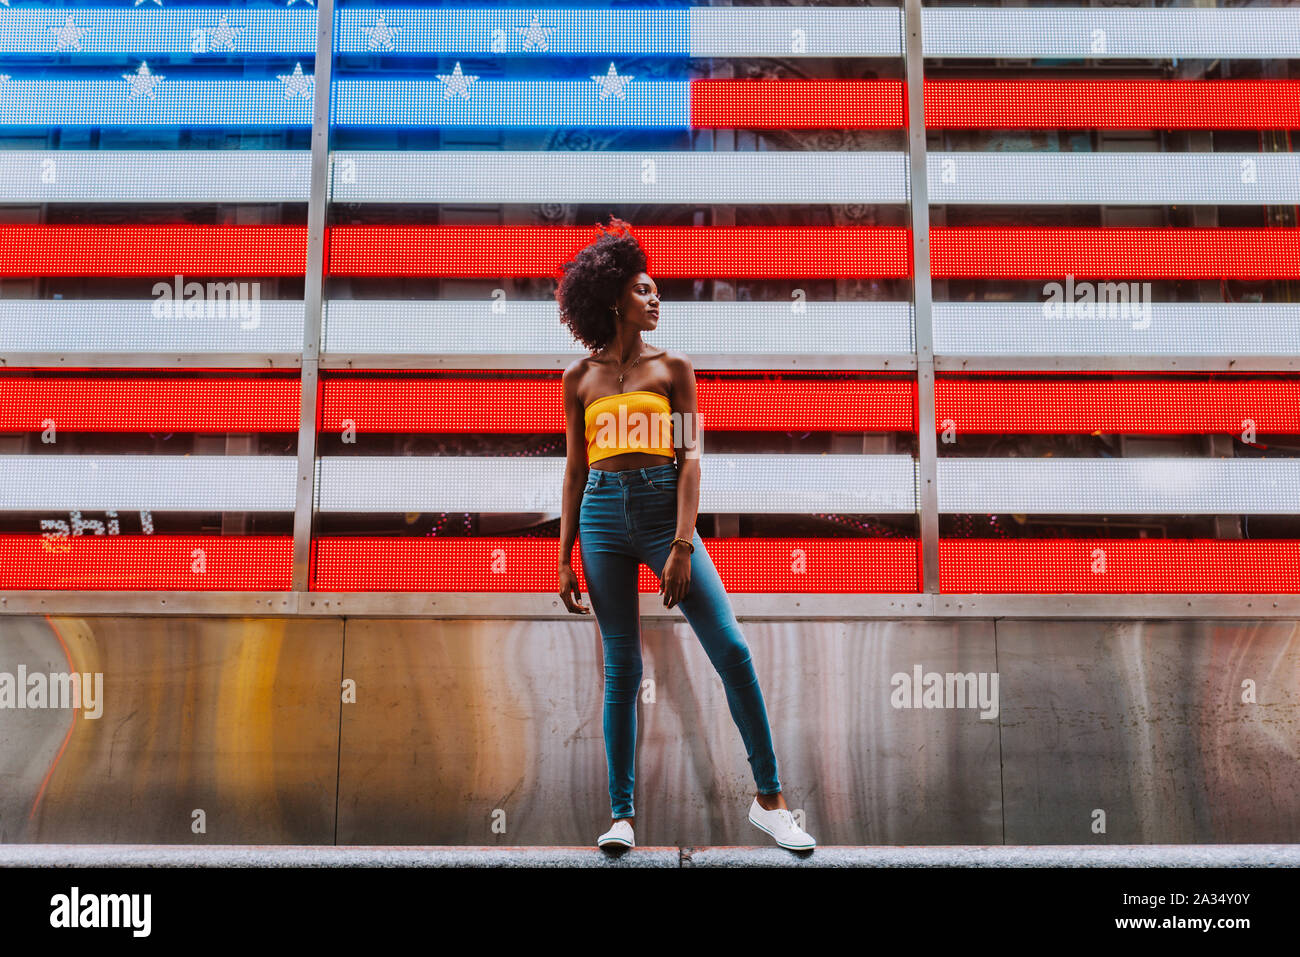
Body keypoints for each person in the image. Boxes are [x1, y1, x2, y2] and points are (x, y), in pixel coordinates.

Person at [554, 216, 815, 852]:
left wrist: (679, 544)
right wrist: (562, 557)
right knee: (621, 667)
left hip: (662, 514)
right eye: (644, 290)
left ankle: (771, 801)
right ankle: (621, 816)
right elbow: (574, 470)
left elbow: (691, 459)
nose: (656, 298)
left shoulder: (674, 369)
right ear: (615, 299)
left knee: (732, 651)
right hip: (599, 518)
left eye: (656, 290)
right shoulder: (578, 379)